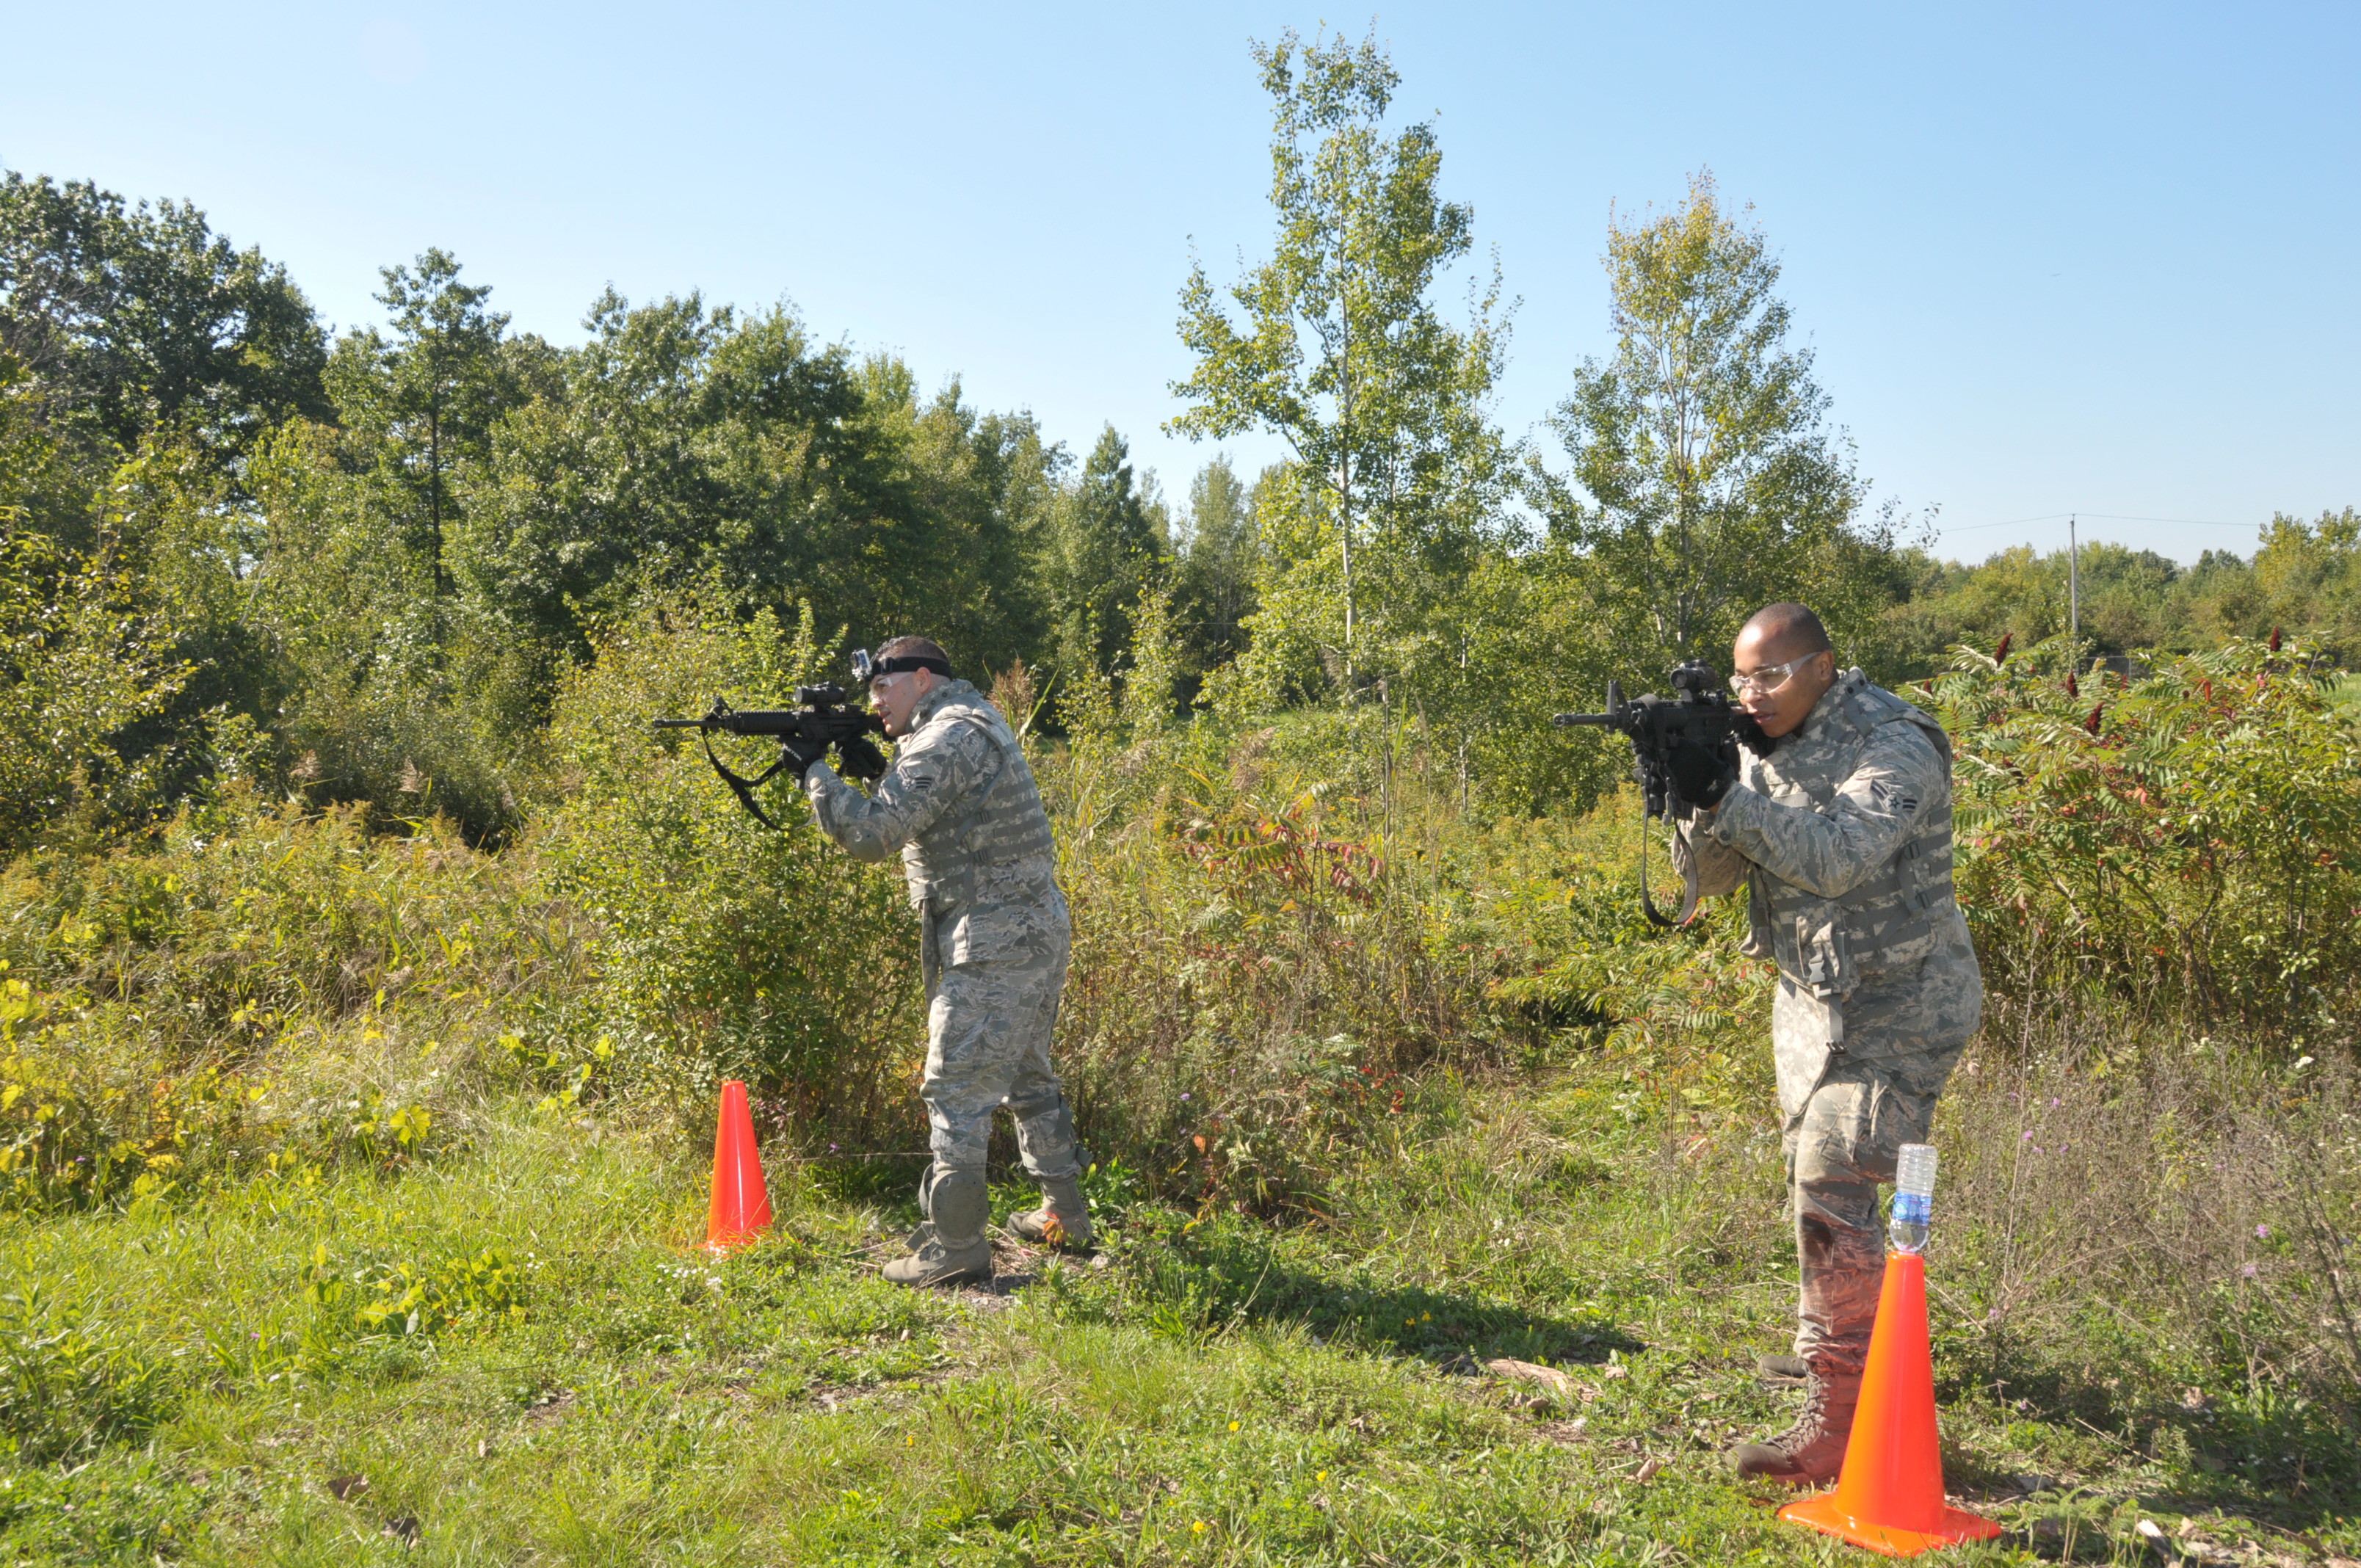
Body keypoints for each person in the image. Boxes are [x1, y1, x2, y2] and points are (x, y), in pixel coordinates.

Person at [1669, 603, 1981, 1485]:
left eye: (1770, 675)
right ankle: (1832, 1346)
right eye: (1741, 678)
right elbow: (1721, 879)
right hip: (1813, 1001)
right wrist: (1695, 792)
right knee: (1812, 1175)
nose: (1752, 693)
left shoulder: (1894, 740)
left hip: (1904, 1005)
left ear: (1822, 668)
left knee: (1833, 1177)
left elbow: (1842, 855)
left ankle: (1841, 1423)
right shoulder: (1754, 741)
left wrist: (1729, 793)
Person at [785, 635, 1091, 1288]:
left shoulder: (945, 736)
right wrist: (876, 770)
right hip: (1029, 927)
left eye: (881, 687)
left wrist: (815, 773)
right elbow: (939, 807)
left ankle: (956, 1249)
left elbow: (871, 835)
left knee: (955, 1090)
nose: (873, 701)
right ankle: (1065, 1214)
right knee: (1028, 1074)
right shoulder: (971, 720)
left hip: (994, 937)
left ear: (921, 678)